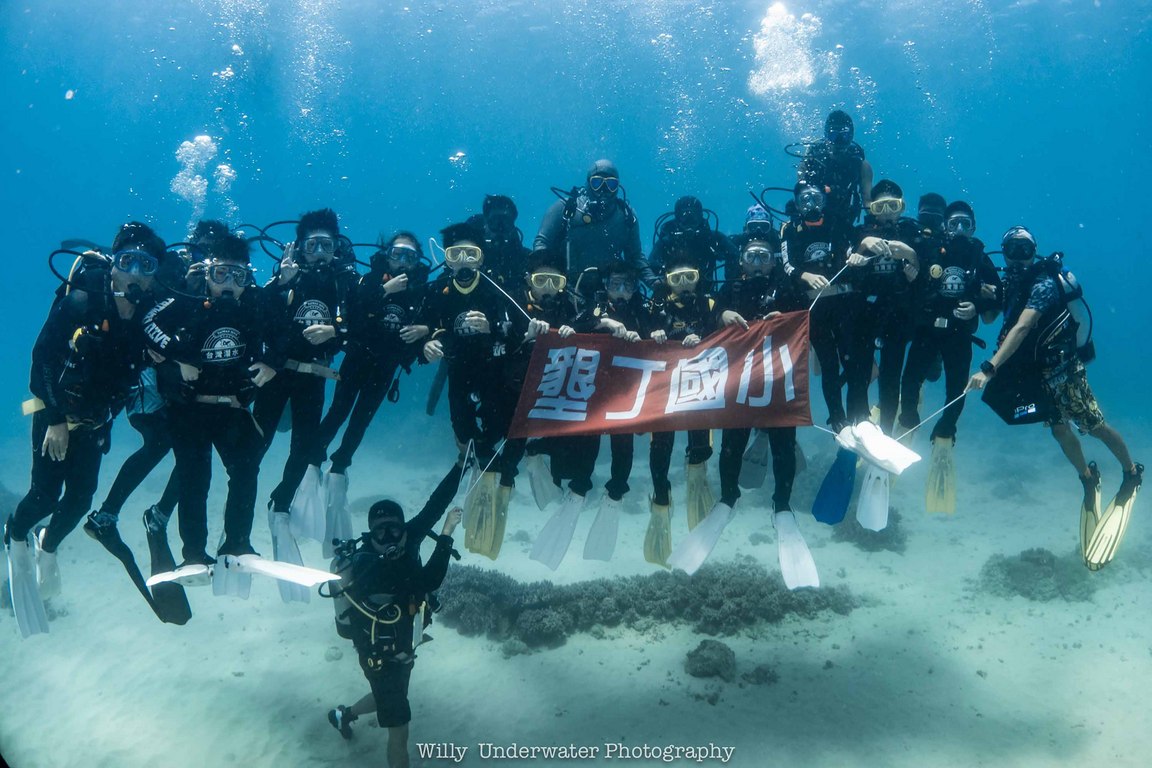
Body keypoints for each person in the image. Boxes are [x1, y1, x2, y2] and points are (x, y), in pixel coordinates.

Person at [5, 222, 164, 636]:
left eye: (145, 265)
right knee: (44, 496)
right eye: (127, 261)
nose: (135, 273)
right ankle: (15, 531)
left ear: (154, 273)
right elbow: (40, 361)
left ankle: (48, 546)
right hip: (54, 413)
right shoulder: (82, 299)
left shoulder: (151, 313)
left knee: (79, 500)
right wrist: (55, 420)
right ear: (113, 266)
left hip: (96, 422)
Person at [968, 226, 1141, 569]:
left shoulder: (1045, 285)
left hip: (1065, 370)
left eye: (1025, 249)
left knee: (1093, 426)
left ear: (1034, 251)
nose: (1019, 256)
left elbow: (1021, 327)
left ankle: (1132, 472)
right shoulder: (1012, 283)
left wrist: (989, 367)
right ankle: (1088, 478)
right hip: (1038, 376)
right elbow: (997, 315)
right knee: (1060, 429)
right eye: (1012, 250)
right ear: (1004, 252)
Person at [142, 225, 277, 575]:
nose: (229, 282)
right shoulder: (186, 299)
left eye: (238, 275)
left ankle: (237, 543)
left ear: (247, 277)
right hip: (189, 408)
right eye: (221, 273)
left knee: (246, 470)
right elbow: (149, 322)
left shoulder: (255, 302)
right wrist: (181, 355)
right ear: (208, 273)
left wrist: (272, 362)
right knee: (194, 478)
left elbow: (284, 331)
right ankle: (194, 554)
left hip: (232, 407)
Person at [324, 463, 463, 768]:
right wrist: (446, 535)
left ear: (403, 529)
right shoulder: (365, 565)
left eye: (394, 529)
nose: (388, 538)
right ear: (370, 534)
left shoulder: (409, 538)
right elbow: (428, 581)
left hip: (406, 644)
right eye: (380, 531)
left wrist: (459, 463)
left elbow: (436, 504)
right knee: (399, 730)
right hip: (379, 656)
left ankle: (342, 715)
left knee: (390, 696)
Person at [255, 209, 359, 551]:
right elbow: (258, 318)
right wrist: (282, 282)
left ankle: (281, 505)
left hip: (313, 377)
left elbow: (362, 327)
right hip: (277, 373)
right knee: (259, 443)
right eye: (311, 246)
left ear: (336, 249)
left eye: (326, 246)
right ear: (298, 248)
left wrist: (335, 330)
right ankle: (240, 507)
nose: (318, 254)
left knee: (302, 447)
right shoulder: (286, 277)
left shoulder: (342, 281)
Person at [421, 221, 519, 559]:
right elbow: (423, 331)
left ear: (481, 258)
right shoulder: (437, 292)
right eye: (456, 254)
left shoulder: (499, 290)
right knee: (463, 437)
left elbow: (518, 336)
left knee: (495, 437)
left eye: (471, 254)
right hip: (459, 375)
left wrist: (492, 329)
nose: (463, 261)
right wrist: (428, 345)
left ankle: (497, 486)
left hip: (495, 375)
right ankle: (468, 485)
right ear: (447, 260)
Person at [899, 200, 1001, 513]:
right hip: (928, 331)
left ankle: (945, 431)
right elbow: (912, 284)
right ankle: (908, 421)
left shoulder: (980, 257)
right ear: (945, 225)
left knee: (956, 388)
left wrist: (977, 307)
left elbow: (997, 298)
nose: (958, 230)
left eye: (965, 225)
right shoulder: (931, 248)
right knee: (910, 378)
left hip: (958, 336)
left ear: (973, 228)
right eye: (954, 223)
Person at [317, 231, 429, 488]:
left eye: (409, 257)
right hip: (357, 358)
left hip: (386, 367)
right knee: (337, 412)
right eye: (397, 254)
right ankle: (312, 459)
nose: (402, 262)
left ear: (417, 261)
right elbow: (353, 315)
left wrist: (424, 331)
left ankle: (340, 465)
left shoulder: (420, 291)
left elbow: (432, 321)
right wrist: (384, 290)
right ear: (387, 255)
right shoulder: (369, 280)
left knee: (360, 421)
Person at [645, 252, 717, 567]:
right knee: (660, 449)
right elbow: (637, 334)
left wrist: (704, 338)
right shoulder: (654, 308)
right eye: (677, 278)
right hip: (664, 393)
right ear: (667, 282)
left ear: (699, 277)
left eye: (690, 276)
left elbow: (729, 336)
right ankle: (661, 500)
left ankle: (697, 482)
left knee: (699, 449)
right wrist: (653, 333)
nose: (685, 284)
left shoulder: (711, 306)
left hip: (700, 392)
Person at [780, 180, 869, 433]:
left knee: (853, 361)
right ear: (797, 205)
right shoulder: (790, 230)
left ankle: (860, 416)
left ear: (824, 199)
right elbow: (787, 265)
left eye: (815, 198)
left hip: (843, 304)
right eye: (804, 200)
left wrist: (855, 256)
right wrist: (805, 276)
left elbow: (853, 247)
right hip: (815, 309)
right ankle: (837, 418)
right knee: (829, 363)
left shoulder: (837, 222)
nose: (811, 204)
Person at [849, 179, 921, 435]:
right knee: (859, 373)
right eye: (881, 207)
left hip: (899, 315)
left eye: (893, 206)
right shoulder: (859, 232)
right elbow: (846, 274)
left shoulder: (913, 232)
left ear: (902, 208)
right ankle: (859, 423)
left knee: (891, 376)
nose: (888, 212)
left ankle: (887, 430)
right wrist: (861, 247)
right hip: (865, 314)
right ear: (871, 210)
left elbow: (929, 275)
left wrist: (912, 256)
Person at [533, 159, 652, 299]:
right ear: (588, 184)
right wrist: (548, 282)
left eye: (611, 184)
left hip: (610, 292)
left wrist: (654, 282)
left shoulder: (626, 216)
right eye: (597, 183)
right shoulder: (566, 209)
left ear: (618, 187)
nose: (604, 189)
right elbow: (541, 246)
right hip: (565, 291)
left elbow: (635, 256)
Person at [797, 109, 874, 231]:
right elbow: (801, 191)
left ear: (851, 136)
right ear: (826, 136)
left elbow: (867, 200)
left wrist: (876, 223)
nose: (838, 141)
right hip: (813, 220)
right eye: (833, 135)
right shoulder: (812, 159)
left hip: (843, 222)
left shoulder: (861, 165)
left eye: (844, 136)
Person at [649, 195, 738, 292]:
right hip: (672, 296)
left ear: (700, 217)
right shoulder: (667, 241)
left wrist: (731, 283)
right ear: (677, 219)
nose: (689, 221)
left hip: (707, 295)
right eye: (684, 217)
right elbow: (652, 263)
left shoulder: (711, 238)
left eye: (693, 217)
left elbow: (734, 254)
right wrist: (663, 285)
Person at [465, 194, 530, 289]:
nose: (500, 227)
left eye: (506, 222)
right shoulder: (472, 249)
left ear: (512, 225)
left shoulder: (521, 255)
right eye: (494, 221)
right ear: (486, 223)